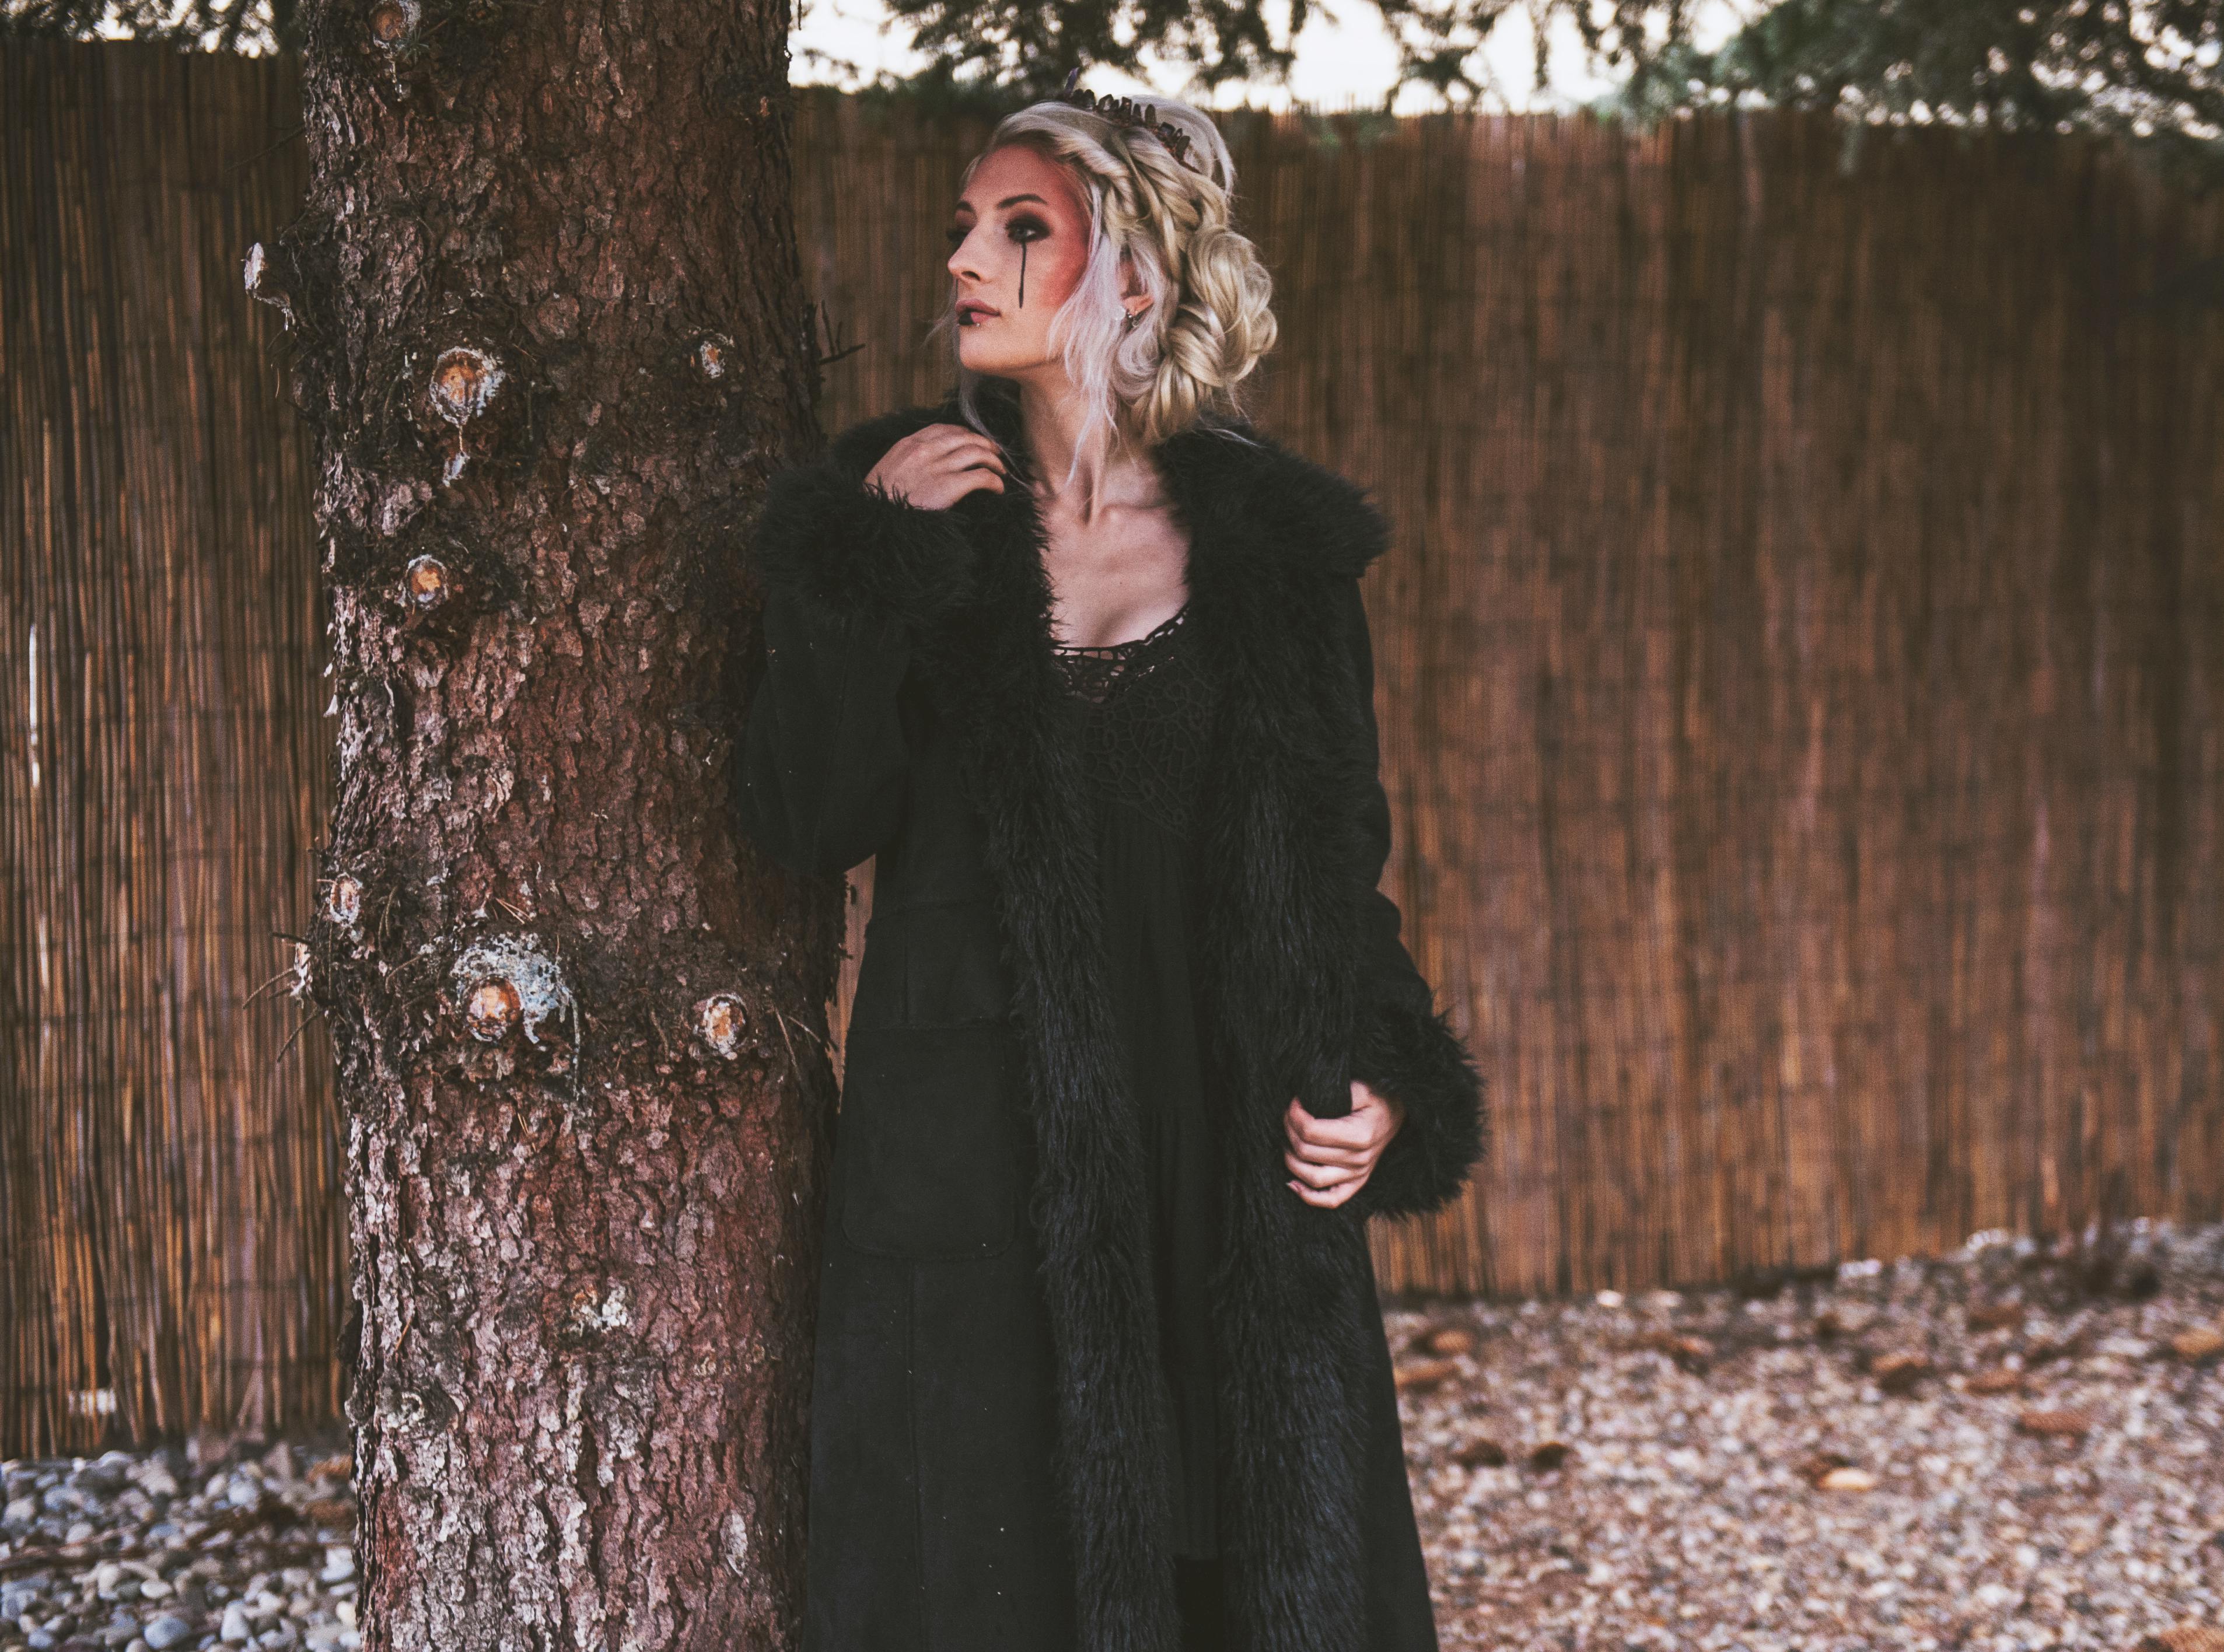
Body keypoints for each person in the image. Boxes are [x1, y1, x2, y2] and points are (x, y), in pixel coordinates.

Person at [732, 71, 1487, 1652]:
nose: (961, 262)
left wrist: (1393, 1083)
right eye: (963, 228)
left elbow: (1334, 859)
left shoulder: (1276, 550)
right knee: (989, 1568)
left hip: (1225, 1136)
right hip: (975, 1145)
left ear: (1133, 274)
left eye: (1021, 230)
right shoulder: (904, 501)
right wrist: (864, 565)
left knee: (1247, 1568)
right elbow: (808, 819)